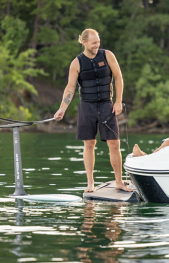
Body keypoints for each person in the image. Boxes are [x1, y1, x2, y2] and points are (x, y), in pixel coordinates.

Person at [54, 28, 133, 193]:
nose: (97, 45)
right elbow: (70, 88)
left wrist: (118, 101)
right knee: (89, 143)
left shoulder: (107, 55)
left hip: (106, 105)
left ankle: (119, 181)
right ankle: (90, 183)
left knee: (114, 143)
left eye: (98, 41)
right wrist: (62, 108)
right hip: (87, 106)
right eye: (94, 42)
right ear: (84, 43)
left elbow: (118, 77)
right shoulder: (77, 63)